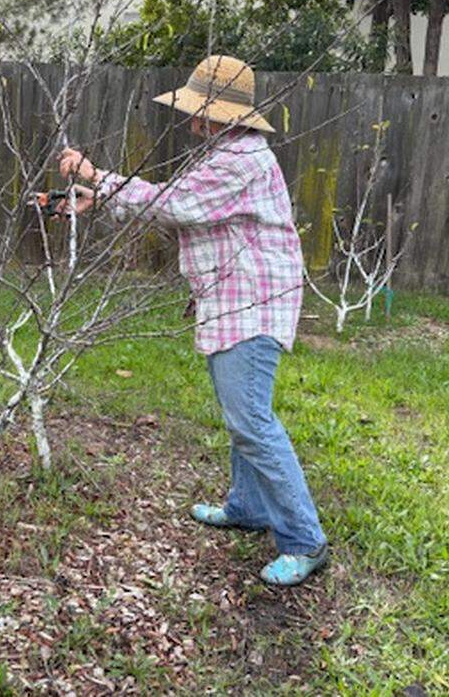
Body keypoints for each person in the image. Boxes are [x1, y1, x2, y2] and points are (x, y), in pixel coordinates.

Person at [56, 55, 328, 586]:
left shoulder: (240, 160)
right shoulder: (228, 153)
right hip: (234, 300)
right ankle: (248, 506)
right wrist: (101, 199)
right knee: (242, 415)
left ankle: (304, 539)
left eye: (197, 109)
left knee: (251, 420)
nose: (190, 118)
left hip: (253, 303)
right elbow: (183, 211)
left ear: (217, 114)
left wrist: (96, 175)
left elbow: (176, 205)